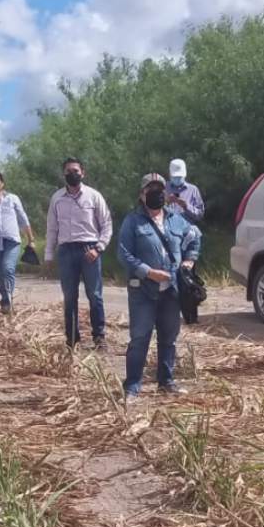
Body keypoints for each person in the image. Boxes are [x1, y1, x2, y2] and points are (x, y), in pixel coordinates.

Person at [117, 173, 198, 399]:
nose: (156, 193)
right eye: (150, 189)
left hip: (171, 290)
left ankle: (166, 382)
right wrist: (149, 272)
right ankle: (132, 386)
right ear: (142, 195)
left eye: (160, 190)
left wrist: (189, 259)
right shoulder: (132, 221)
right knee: (140, 338)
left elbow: (195, 236)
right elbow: (124, 254)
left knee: (168, 338)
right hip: (143, 290)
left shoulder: (176, 219)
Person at [45, 158, 113, 348]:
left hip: (89, 249)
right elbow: (52, 228)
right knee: (69, 297)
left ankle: (99, 336)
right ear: (63, 174)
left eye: (75, 170)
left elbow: (107, 224)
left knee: (95, 295)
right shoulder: (57, 198)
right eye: (68, 171)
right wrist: (48, 255)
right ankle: (72, 339)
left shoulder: (93, 196)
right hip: (66, 251)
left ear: (83, 173)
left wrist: (98, 248)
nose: (72, 174)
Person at [0, 171, 34, 313]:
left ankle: (9, 298)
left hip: (12, 241)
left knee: (7, 268)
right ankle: (5, 298)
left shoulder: (12, 199)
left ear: (2, 183)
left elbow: (23, 219)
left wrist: (31, 239)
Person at [165, 159, 205, 324]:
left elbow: (200, 214)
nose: (177, 179)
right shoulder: (164, 189)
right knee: (169, 279)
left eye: (179, 176)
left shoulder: (193, 190)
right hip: (168, 238)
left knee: (188, 279)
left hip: (188, 239)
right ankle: (170, 317)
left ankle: (191, 317)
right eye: (175, 176)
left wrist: (186, 205)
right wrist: (166, 202)